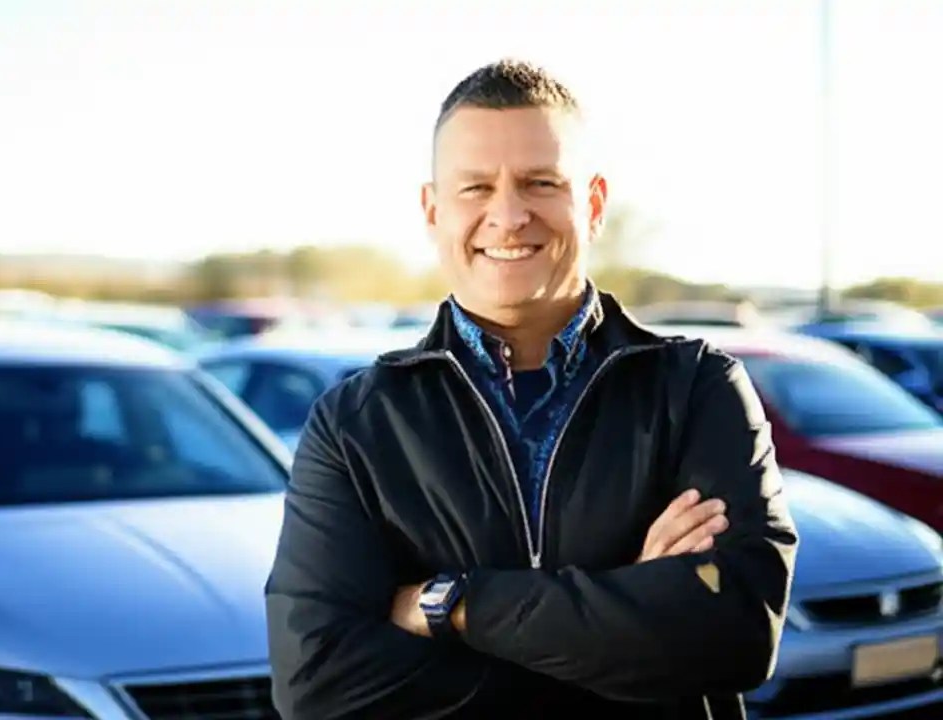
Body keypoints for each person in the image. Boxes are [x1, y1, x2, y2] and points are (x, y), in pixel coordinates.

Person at [265, 58, 798, 719]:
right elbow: (317, 685)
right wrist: (624, 613)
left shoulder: (695, 389)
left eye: (540, 183)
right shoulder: (356, 424)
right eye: (476, 188)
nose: (509, 215)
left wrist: (451, 605)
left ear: (592, 204)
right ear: (433, 211)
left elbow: (736, 633)